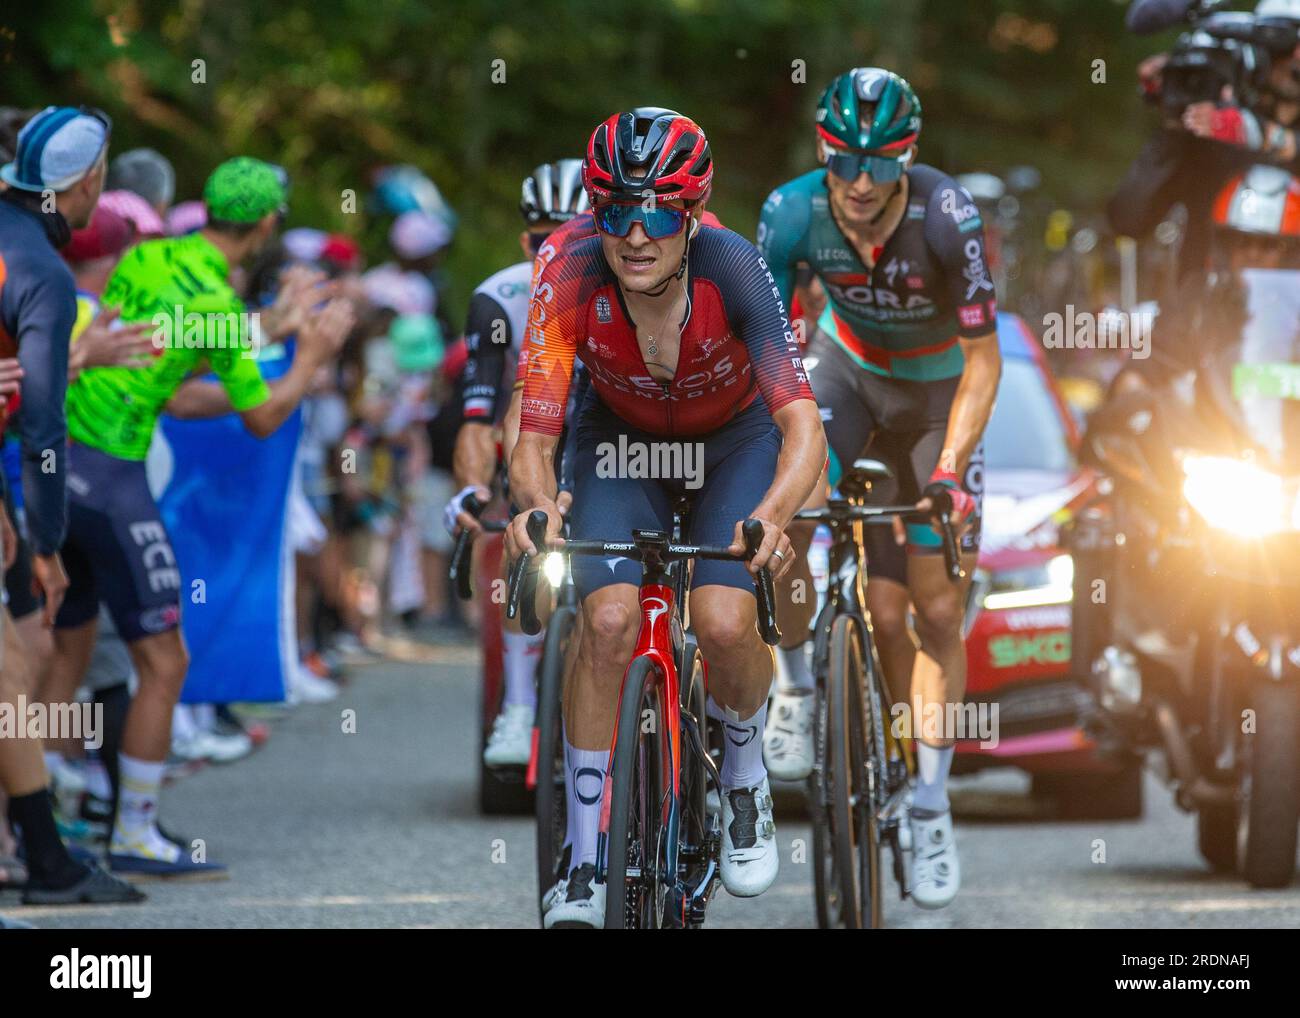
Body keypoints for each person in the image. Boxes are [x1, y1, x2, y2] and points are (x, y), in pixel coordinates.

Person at [508, 108, 825, 927]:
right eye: (617, 212)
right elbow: (534, 431)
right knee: (607, 621)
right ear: (596, 214)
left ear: (690, 214)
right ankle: (584, 858)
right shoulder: (566, 270)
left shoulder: (736, 266)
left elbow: (802, 425)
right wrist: (537, 509)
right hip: (617, 439)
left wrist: (773, 518)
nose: (636, 235)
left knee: (723, 620)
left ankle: (745, 775)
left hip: (733, 438)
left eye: (657, 213)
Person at [43, 155, 353, 878]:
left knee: (63, 650)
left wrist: (269, 332)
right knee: (165, 660)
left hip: (58, 463)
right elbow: (264, 415)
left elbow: (176, 390)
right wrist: (310, 355)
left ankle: (45, 814)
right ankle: (136, 832)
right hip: (112, 474)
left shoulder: (151, 256)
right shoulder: (216, 302)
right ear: (268, 221)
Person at [757, 68, 1002, 910]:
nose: (861, 182)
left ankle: (930, 801)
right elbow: (771, 343)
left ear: (910, 157)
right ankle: (793, 686)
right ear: (823, 151)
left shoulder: (946, 215)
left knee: (926, 611)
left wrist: (951, 473)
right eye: (844, 160)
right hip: (847, 373)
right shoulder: (792, 213)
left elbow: (985, 360)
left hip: (936, 395)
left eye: (882, 162)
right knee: (783, 512)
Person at [0, 104, 142, 905]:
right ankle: (46, 860)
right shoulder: (43, 272)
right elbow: (45, 428)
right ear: (84, 183)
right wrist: (48, 541)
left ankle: (45, 857)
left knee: (13, 672)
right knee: (14, 673)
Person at [444, 159, 588, 767]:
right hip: (531, 437)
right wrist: (474, 489)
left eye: (569, 235)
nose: (552, 251)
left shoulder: (631, 288)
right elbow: (477, 421)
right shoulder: (498, 299)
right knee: (520, 543)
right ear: (523, 241)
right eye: (539, 239)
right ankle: (520, 705)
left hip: (609, 440)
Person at [1110, 0, 1300, 282]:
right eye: (1282, 47)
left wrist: (1262, 134)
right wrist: (1175, 123)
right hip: (1201, 313)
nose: (1295, 58)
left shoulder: (1237, 127)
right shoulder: (1214, 133)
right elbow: (1129, 220)